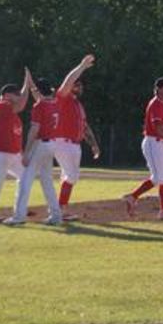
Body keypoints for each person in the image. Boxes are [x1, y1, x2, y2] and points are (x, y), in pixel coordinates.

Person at [5, 76, 64, 226]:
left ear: (38, 91)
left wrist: (26, 152)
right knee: (47, 182)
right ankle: (56, 216)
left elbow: (34, 129)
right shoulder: (55, 103)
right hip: (52, 145)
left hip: (40, 144)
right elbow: (41, 97)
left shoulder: (39, 106)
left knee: (25, 180)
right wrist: (32, 85)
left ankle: (18, 217)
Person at [123, 78, 163, 221]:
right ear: (159, 89)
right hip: (153, 143)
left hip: (161, 143)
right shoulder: (156, 103)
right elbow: (157, 126)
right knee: (158, 178)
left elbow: (162, 127)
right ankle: (135, 198)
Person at [50, 55, 98, 220]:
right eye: (76, 84)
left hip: (73, 144)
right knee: (71, 176)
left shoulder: (77, 105)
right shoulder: (63, 98)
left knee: (69, 177)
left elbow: (84, 127)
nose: (79, 86)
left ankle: (59, 209)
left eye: (80, 84)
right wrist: (82, 66)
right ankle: (59, 210)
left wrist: (93, 144)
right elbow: (68, 80)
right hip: (63, 142)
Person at [0, 70, 31, 223]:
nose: (19, 96)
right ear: (8, 95)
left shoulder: (12, 114)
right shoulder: (1, 105)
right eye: (16, 94)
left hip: (13, 155)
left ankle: (19, 212)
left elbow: (16, 136)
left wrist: (21, 155)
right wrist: (27, 83)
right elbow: (22, 104)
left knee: (25, 177)